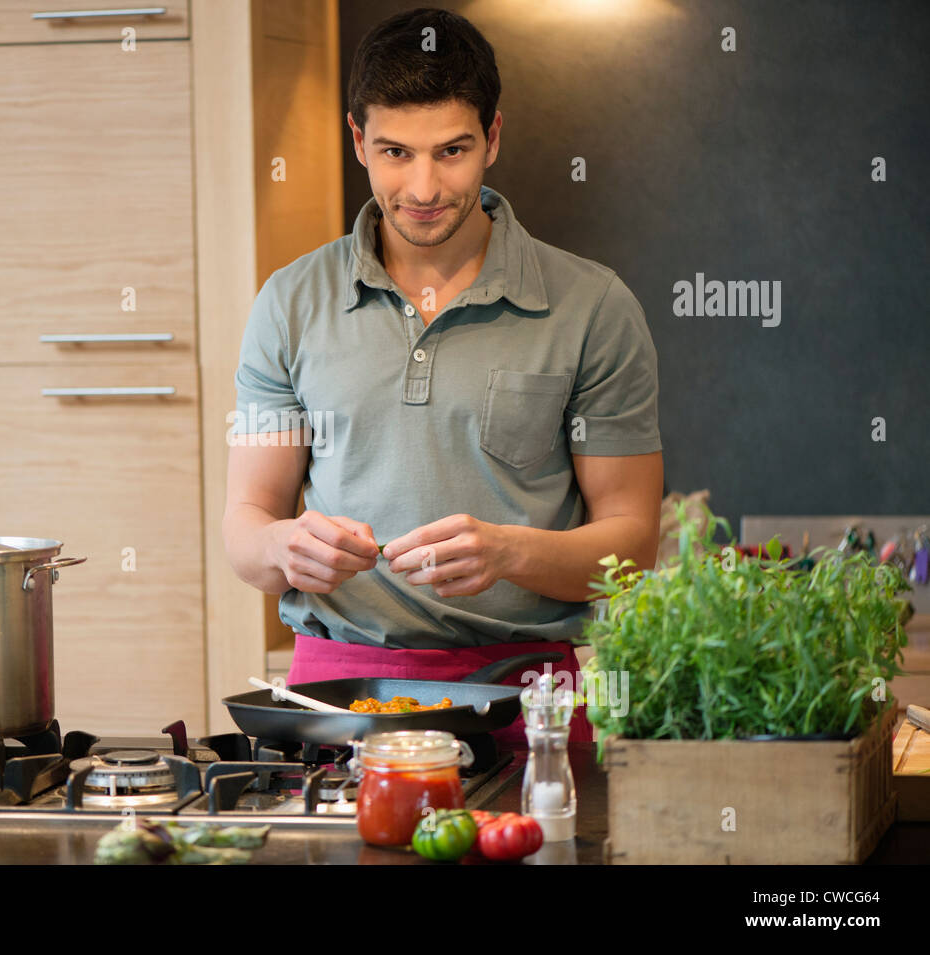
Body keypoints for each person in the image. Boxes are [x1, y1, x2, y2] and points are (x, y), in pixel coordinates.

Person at [222, 7, 663, 745]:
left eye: (451, 150)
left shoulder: (593, 306)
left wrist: (509, 552)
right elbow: (246, 526)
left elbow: (632, 546)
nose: (423, 187)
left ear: (493, 137)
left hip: (525, 703)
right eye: (394, 152)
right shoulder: (289, 303)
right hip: (337, 699)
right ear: (357, 138)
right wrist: (282, 546)